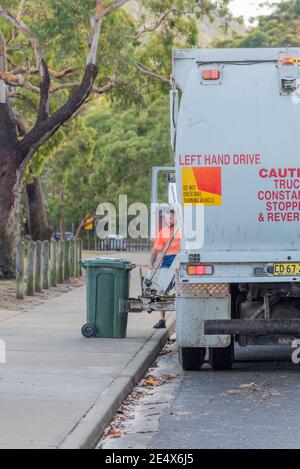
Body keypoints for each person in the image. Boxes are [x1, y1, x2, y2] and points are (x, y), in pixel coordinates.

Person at [149, 209, 181, 329]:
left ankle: (180, 316)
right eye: (168, 218)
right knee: (162, 290)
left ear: (176, 218)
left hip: (179, 262)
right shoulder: (163, 232)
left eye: (171, 217)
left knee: (179, 290)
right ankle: (162, 319)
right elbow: (155, 250)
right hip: (167, 262)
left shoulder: (182, 230)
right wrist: (151, 265)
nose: (169, 219)